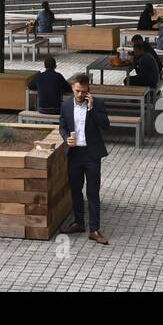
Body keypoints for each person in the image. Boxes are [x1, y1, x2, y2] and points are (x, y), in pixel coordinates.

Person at [59, 74, 111, 244]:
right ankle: (79, 223)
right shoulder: (66, 105)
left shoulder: (97, 104)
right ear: (73, 89)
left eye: (83, 91)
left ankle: (94, 229)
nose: (80, 94)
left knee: (93, 192)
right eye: (77, 91)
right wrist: (66, 137)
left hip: (92, 154)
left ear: (88, 90)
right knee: (75, 189)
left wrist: (91, 108)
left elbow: (105, 125)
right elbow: (62, 126)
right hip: (74, 154)